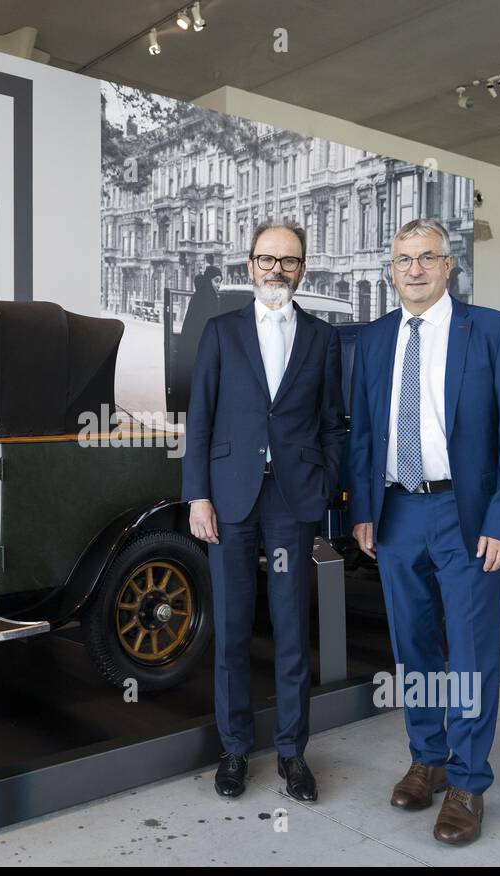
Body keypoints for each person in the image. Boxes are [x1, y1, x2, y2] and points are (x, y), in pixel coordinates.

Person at [347, 218, 500, 845]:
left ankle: (469, 782)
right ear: (391, 270)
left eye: (428, 257)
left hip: (468, 515)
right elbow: (363, 433)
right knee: (413, 646)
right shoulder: (375, 339)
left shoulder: (495, 331)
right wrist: (363, 509)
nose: (416, 269)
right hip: (397, 512)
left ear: (449, 265)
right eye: (404, 259)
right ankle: (427, 758)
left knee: (472, 652)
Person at [182, 222, 345, 802]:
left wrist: (324, 483)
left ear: (302, 268)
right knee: (230, 628)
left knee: (292, 627)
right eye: (267, 259)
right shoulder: (220, 331)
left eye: (288, 260)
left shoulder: (323, 339)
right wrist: (198, 495)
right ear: (250, 265)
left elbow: (332, 423)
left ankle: (292, 753)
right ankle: (233, 749)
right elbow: (200, 417)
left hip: (292, 499)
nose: (277, 269)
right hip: (229, 497)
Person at [167, 265, 222, 414]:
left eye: (220, 282)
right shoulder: (209, 298)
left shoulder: (199, 295)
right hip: (199, 349)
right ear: (209, 280)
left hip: (191, 348)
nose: (218, 285)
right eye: (216, 281)